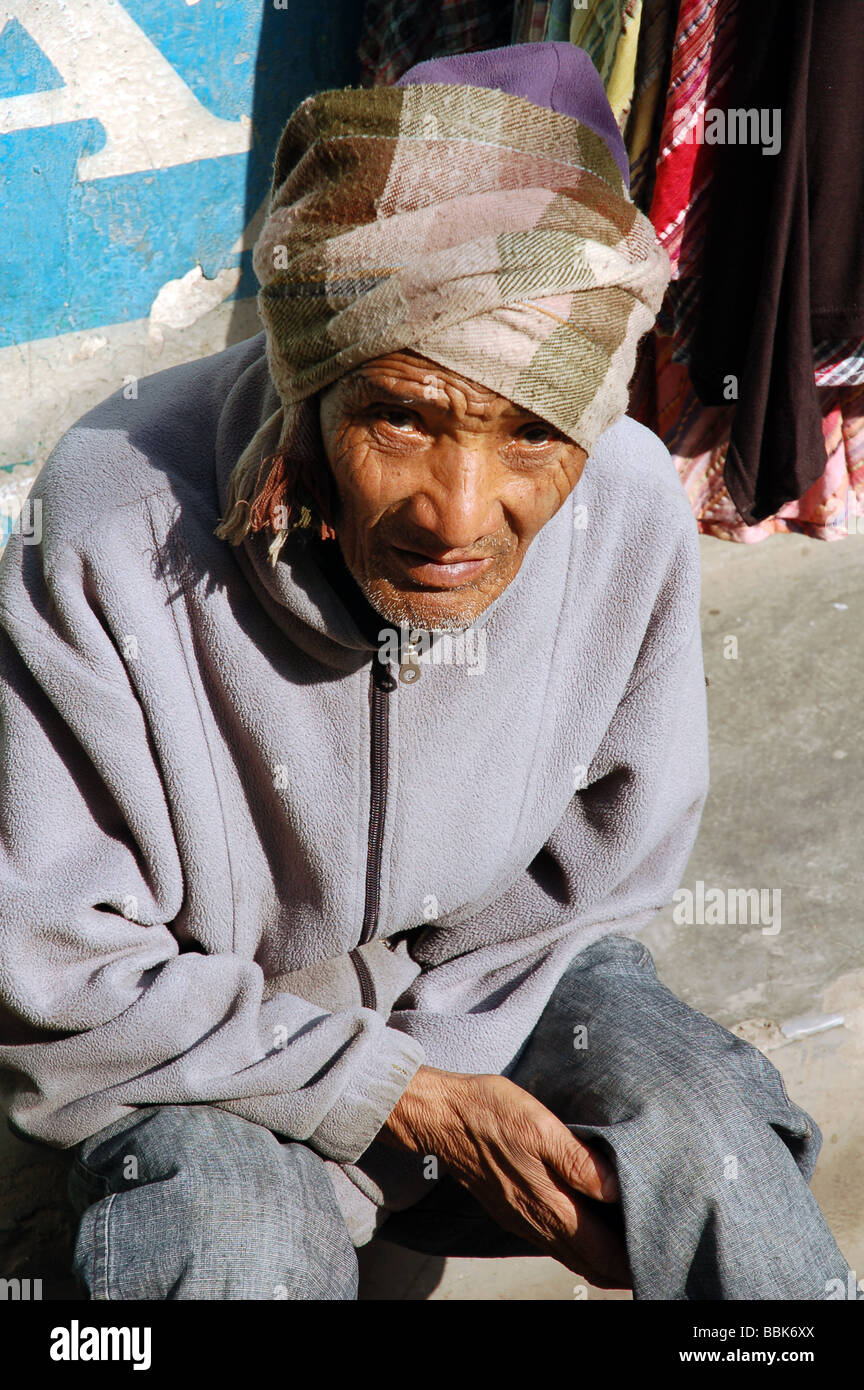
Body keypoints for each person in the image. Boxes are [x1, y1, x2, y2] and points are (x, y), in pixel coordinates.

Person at [0, 42, 854, 1302]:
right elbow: (56, 967)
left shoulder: (624, 508)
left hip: (497, 983)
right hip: (192, 1038)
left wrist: (434, 1082)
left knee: (713, 1132)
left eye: (531, 432)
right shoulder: (113, 519)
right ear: (315, 378)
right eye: (400, 415)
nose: (458, 516)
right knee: (232, 1230)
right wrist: (389, 1099)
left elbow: (596, 884)